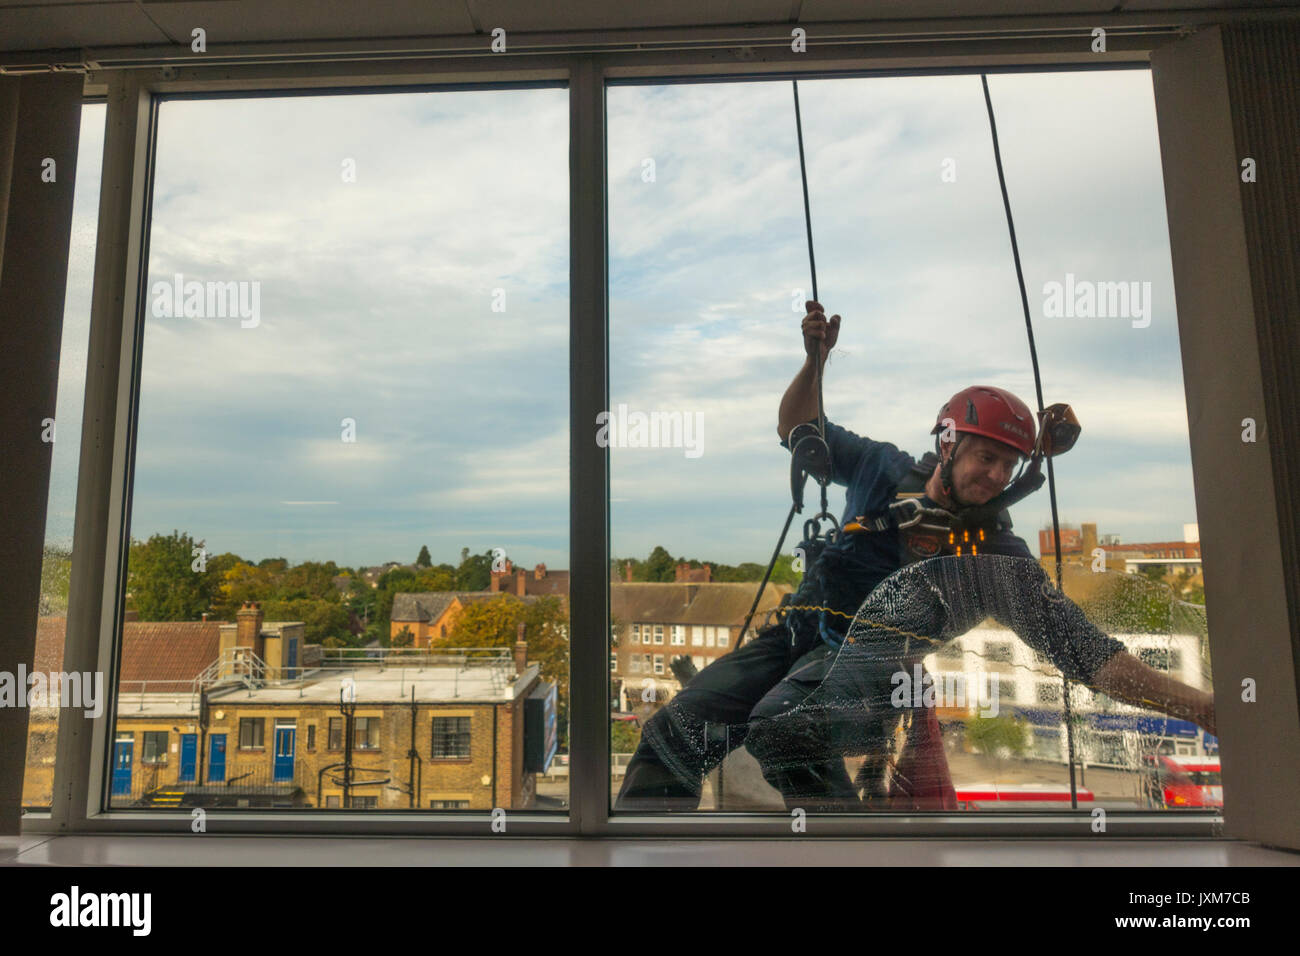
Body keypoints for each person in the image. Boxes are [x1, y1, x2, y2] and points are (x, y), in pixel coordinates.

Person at [614, 301, 1216, 811]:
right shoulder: (882, 468)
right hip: (798, 636)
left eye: (1009, 465)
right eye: (986, 457)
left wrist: (1205, 710)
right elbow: (797, 427)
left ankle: (852, 850)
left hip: (874, 672)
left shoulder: (991, 558)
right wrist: (815, 362)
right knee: (674, 731)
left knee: (787, 725)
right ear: (949, 444)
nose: (997, 475)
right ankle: (645, 845)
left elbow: (1091, 656)